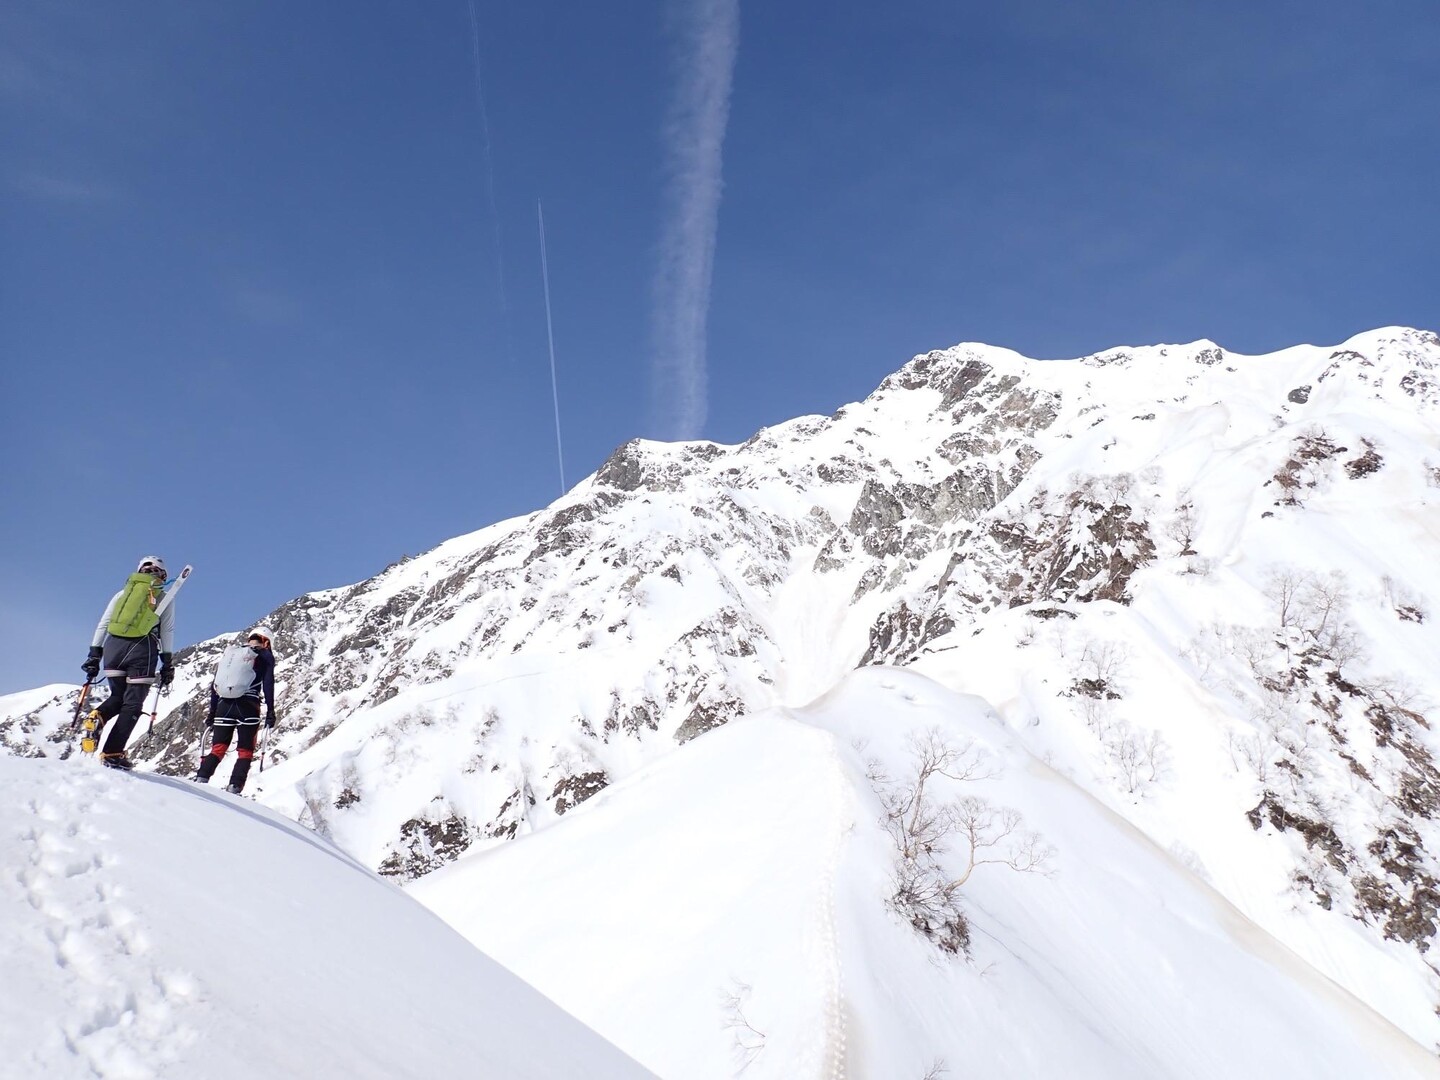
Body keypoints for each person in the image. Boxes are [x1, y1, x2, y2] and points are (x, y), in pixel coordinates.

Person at [81, 555, 177, 770]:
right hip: (143, 649)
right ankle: (112, 753)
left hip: (112, 647)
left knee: (117, 697)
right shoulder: (164, 597)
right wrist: (167, 662)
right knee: (133, 704)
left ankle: (99, 715)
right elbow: (167, 630)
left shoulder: (122, 594)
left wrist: (94, 655)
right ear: (163, 575)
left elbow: (103, 624)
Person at [193, 626, 277, 794]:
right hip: (248, 706)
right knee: (245, 752)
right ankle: (234, 788)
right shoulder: (265, 656)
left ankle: (200, 780)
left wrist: (212, 713)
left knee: (218, 749)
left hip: (224, 705)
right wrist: (270, 711)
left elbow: (215, 686)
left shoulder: (232, 654)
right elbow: (268, 684)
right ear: (266, 642)